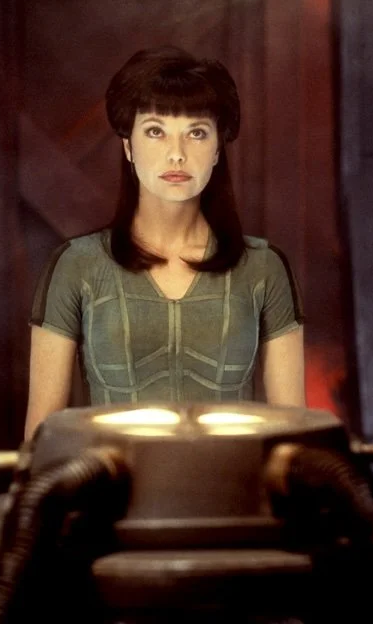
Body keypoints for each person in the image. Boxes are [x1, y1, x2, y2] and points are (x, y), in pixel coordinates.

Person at [25, 45, 305, 440]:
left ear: (217, 149)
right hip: (112, 477)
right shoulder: (77, 265)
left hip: (233, 478)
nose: (177, 154)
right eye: (156, 131)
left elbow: (295, 433)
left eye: (197, 133)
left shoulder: (263, 267)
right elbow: (40, 436)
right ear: (128, 145)